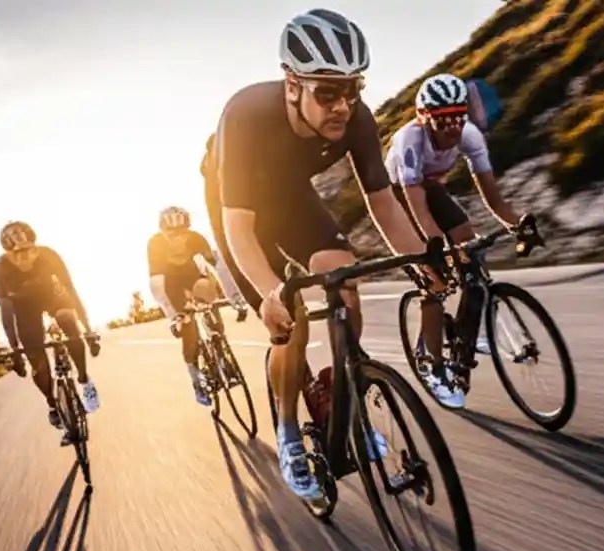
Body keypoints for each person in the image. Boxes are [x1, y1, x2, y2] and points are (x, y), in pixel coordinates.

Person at [203, 8, 445, 503]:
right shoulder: (247, 115)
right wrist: (270, 291)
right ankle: (290, 431)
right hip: (238, 209)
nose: (343, 105)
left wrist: (424, 262)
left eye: (354, 89)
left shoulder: (357, 121)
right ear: (292, 85)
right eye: (327, 92)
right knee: (289, 320)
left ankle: (342, 397)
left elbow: (383, 205)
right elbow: (237, 228)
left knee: (345, 283)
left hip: (292, 198)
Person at [384, 72, 536, 388]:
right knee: (435, 277)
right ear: (424, 119)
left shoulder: (470, 136)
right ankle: (432, 357)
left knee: (470, 247)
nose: (453, 126)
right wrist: (434, 248)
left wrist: (518, 225)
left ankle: (467, 329)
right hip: (398, 195)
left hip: (430, 190)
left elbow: (494, 199)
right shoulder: (408, 142)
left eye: (458, 116)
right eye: (443, 120)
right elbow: (418, 209)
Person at [0, 220, 101, 435]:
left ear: (35, 246)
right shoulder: (0, 268)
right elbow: (6, 312)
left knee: (67, 318)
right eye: (16, 253)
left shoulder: (48, 255)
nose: (23, 257)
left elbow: (71, 289)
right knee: (37, 360)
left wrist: (87, 329)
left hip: (52, 297)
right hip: (23, 309)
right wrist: (14, 349)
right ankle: (52, 403)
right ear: (7, 254)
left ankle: (84, 379)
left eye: (28, 250)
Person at [147, 206, 234, 407]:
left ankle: (221, 352)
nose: (178, 238)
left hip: (192, 275)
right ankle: (196, 378)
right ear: (163, 232)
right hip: (170, 283)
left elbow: (217, 266)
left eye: (182, 232)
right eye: (172, 234)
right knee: (189, 327)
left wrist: (234, 297)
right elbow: (157, 285)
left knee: (208, 299)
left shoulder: (195, 238)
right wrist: (173, 316)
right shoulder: (155, 245)